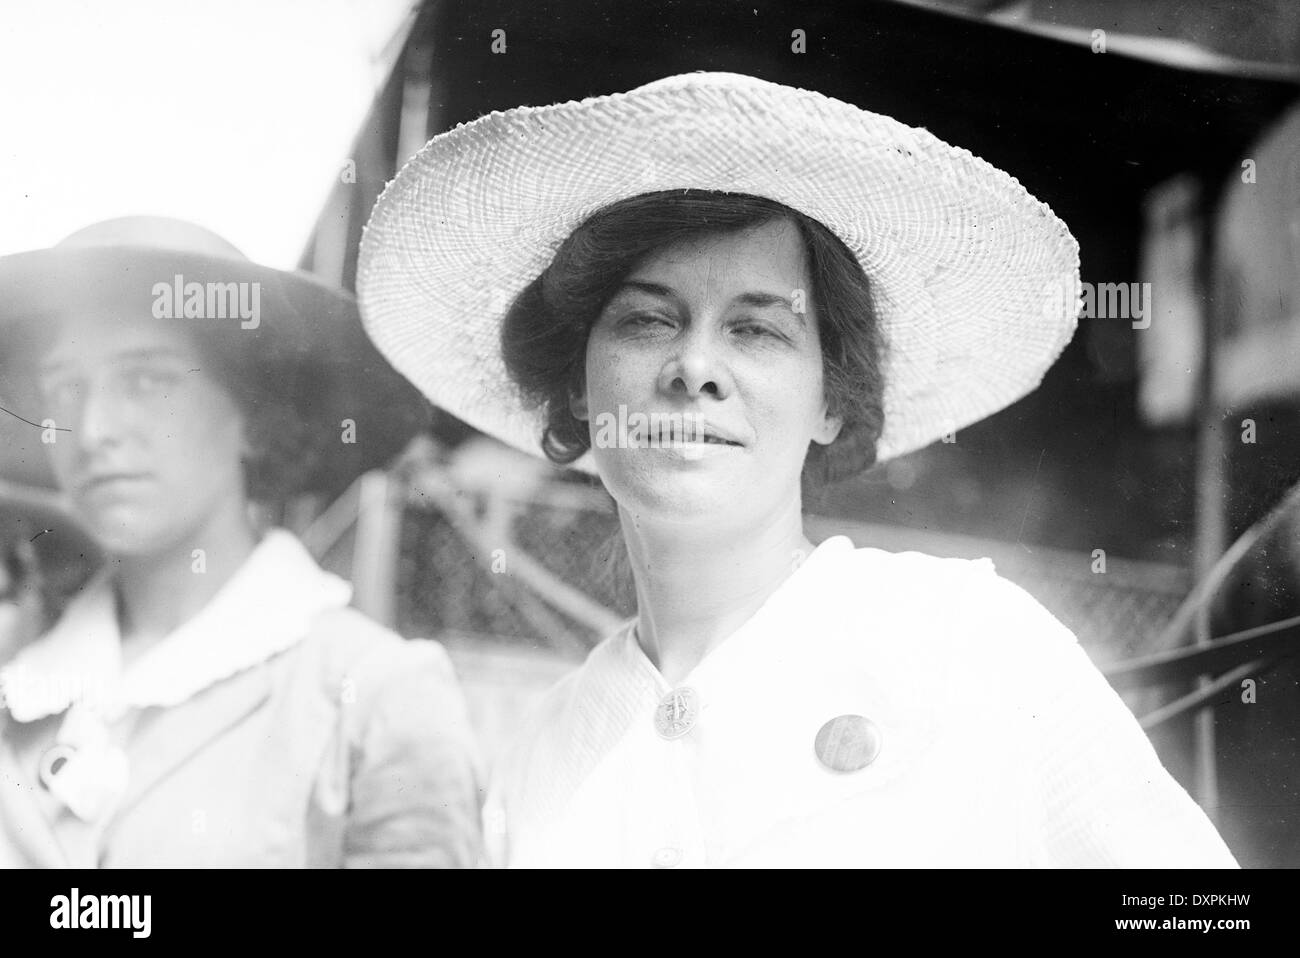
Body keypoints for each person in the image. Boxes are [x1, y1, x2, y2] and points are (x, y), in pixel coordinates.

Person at [357, 72, 1238, 867]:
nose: (696, 367)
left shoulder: (971, 646)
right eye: (646, 321)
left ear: (831, 401)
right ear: (580, 390)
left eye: (758, 329)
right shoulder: (537, 762)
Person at [0, 217, 483, 867]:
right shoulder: (23, 694)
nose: (93, 429)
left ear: (254, 417)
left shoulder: (371, 696)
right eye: (65, 389)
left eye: (147, 380)